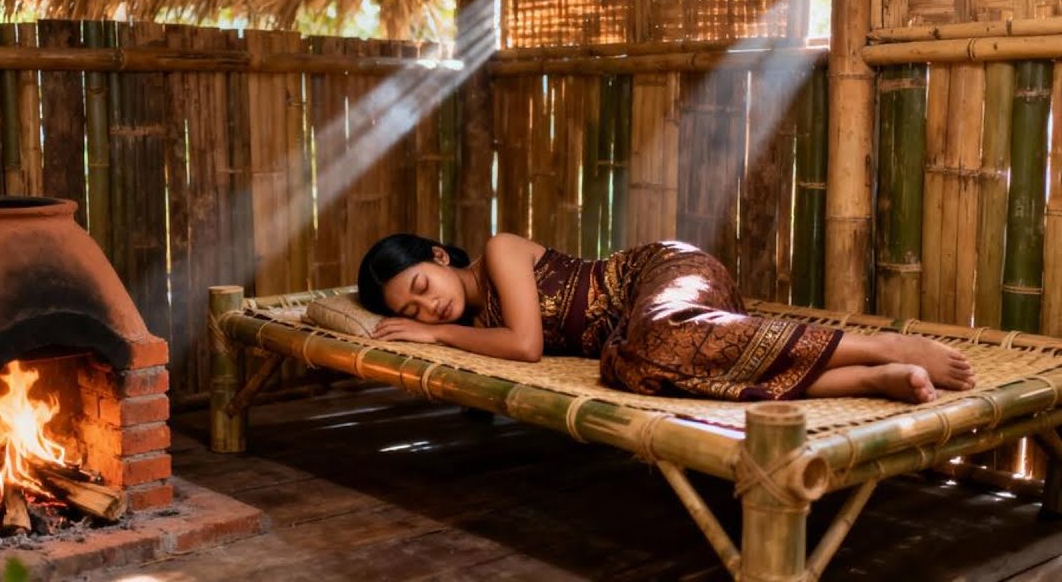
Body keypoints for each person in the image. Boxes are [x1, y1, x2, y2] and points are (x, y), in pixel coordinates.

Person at [356, 232, 976, 403]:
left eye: (421, 286)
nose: (427, 306)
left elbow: (525, 346)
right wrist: (439, 330)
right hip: (651, 336)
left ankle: (876, 345)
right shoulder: (473, 323)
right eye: (410, 310)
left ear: (439, 256)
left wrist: (435, 333)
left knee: (654, 338)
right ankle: (871, 378)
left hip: (664, 276)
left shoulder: (497, 252)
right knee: (630, 368)